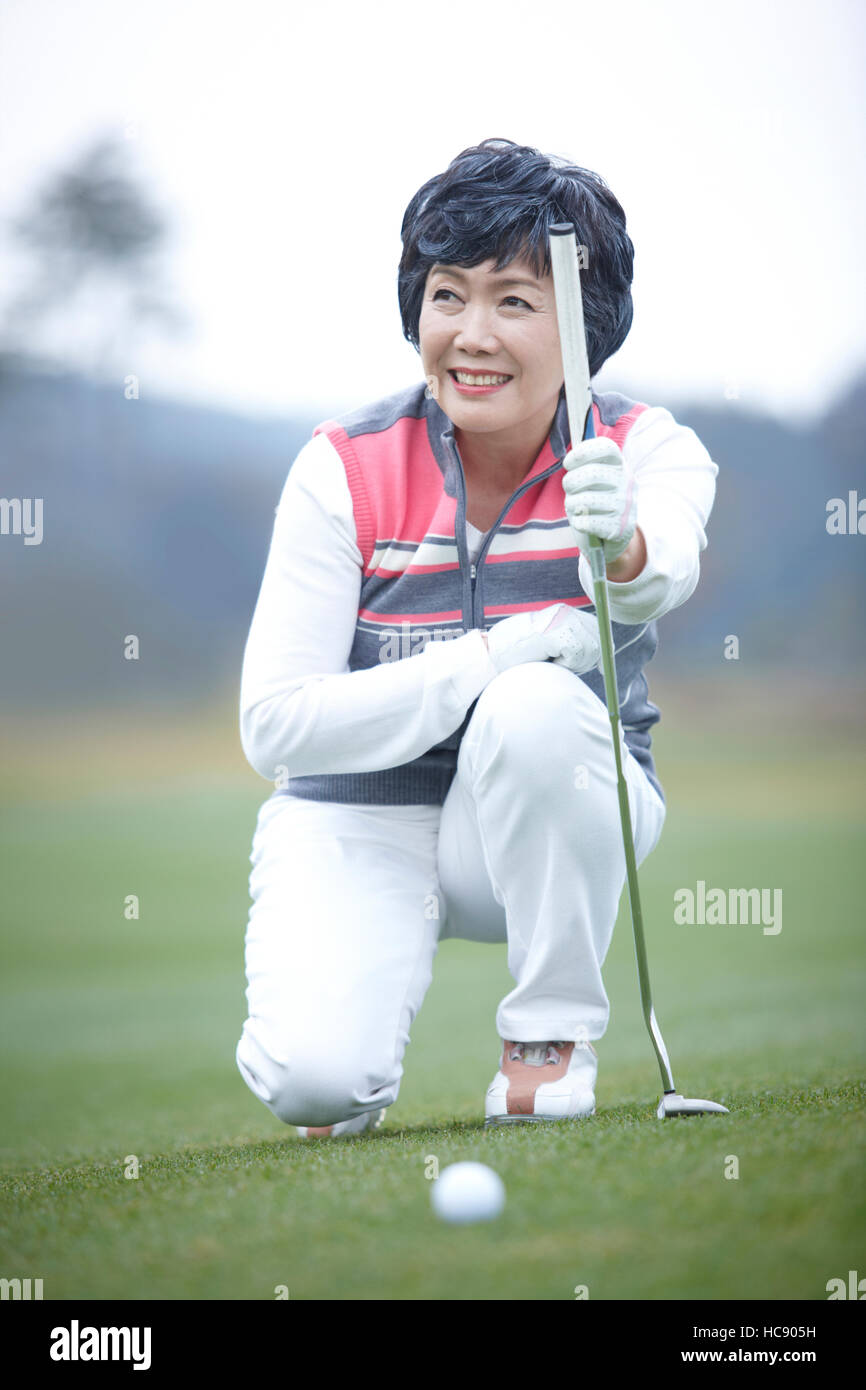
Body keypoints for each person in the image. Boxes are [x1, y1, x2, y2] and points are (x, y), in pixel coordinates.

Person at [235, 138, 717, 1136]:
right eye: (446, 295)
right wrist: (495, 652)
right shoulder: (343, 465)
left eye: (512, 301)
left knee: (538, 706)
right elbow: (275, 728)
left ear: (581, 325)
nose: (470, 334)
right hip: (358, 815)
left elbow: (661, 567)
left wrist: (618, 538)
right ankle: (341, 1052)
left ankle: (547, 1038)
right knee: (314, 1084)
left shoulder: (645, 450)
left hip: (552, 815)